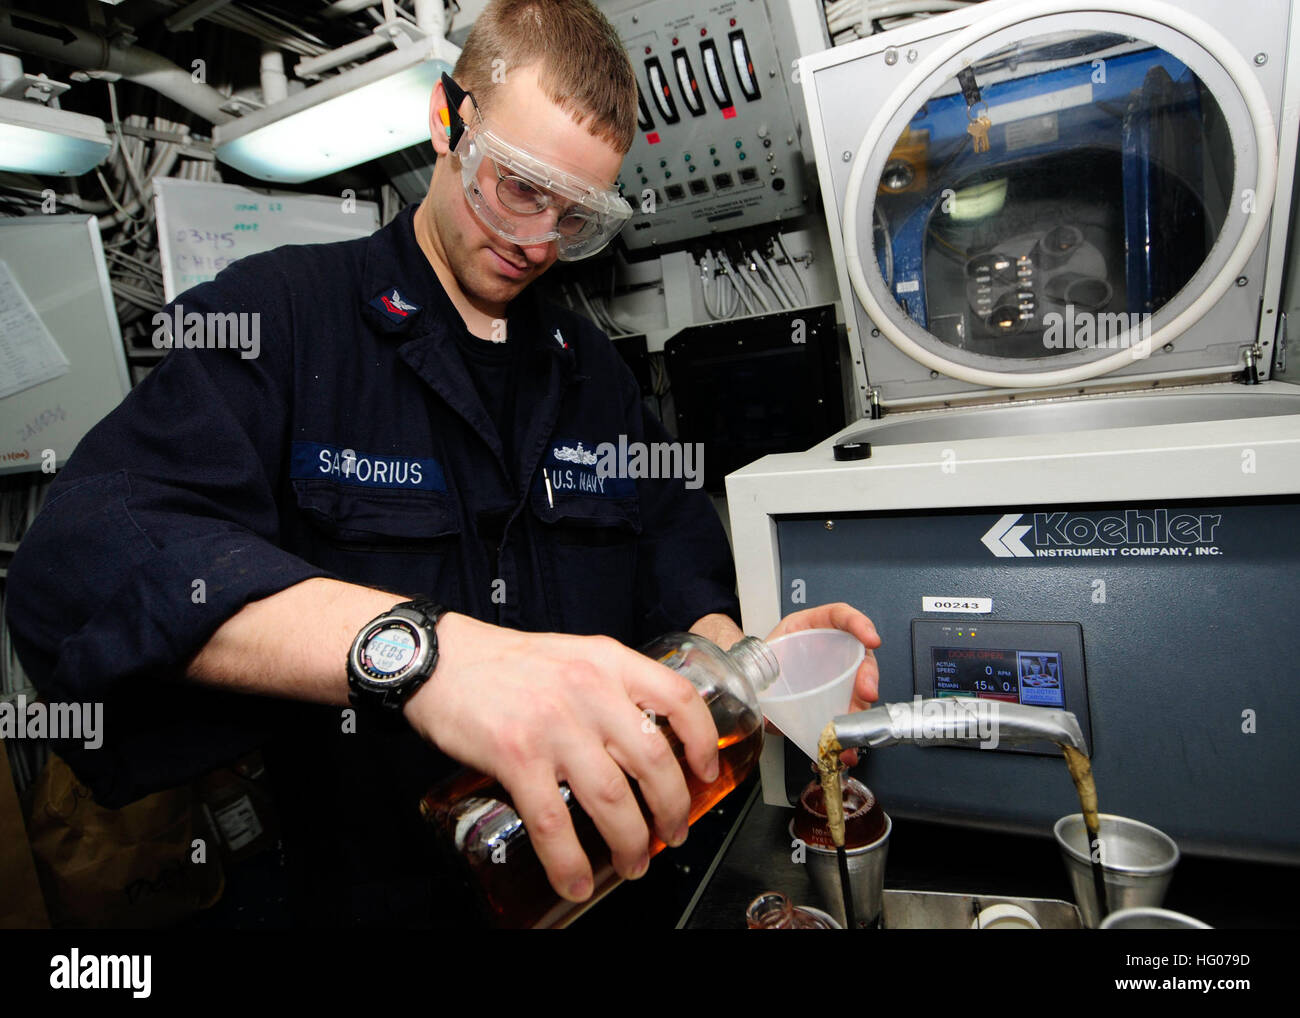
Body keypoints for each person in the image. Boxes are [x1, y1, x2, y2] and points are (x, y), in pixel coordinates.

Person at [5, 0, 880, 925]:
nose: (538, 241)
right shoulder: (284, 319)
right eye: (518, 187)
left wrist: (744, 667)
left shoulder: (597, 381)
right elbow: (80, 564)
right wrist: (423, 654)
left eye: (577, 217)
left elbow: (679, 572)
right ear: (445, 122)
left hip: (610, 890)